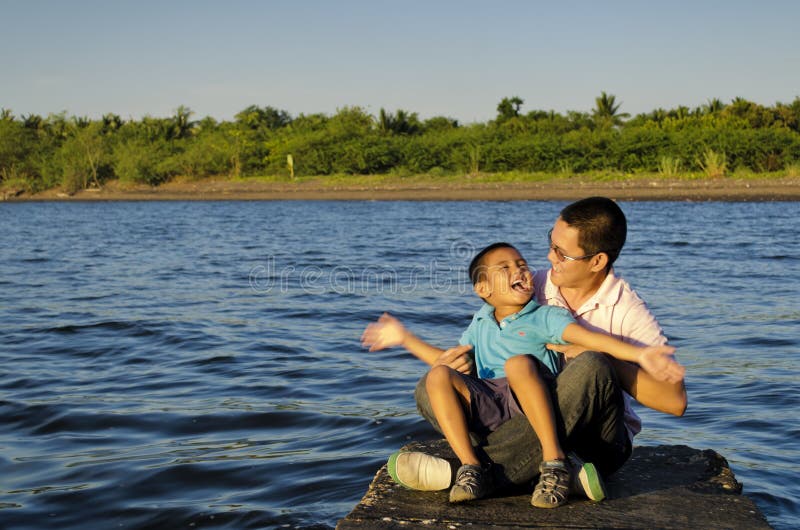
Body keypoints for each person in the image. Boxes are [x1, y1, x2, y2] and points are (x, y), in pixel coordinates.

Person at [383, 197, 688, 500]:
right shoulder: (533, 285)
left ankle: (471, 474)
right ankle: (546, 472)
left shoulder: (627, 310)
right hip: (514, 416)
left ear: (597, 261)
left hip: (595, 440)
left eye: (561, 253)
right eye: (551, 244)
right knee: (430, 386)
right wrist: (453, 363)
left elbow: (675, 402)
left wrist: (608, 357)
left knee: (593, 365)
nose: (549, 257)